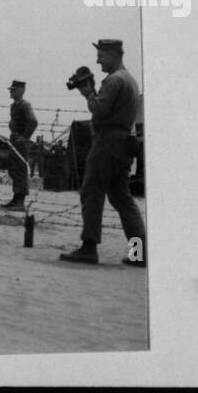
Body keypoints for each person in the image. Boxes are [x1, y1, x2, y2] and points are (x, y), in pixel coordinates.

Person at [59, 39, 146, 266]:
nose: (97, 60)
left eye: (101, 55)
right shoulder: (129, 80)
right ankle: (139, 253)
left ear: (114, 54)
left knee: (91, 192)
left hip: (107, 143)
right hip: (123, 143)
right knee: (122, 198)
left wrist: (88, 94)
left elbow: (98, 112)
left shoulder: (115, 80)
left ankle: (89, 248)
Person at [1, 80, 37, 211]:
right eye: (11, 90)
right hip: (14, 139)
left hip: (21, 142)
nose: (11, 92)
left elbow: (33, 121)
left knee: (20, 170)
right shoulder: (14, 106)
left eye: (14, 89)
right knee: (13, 169)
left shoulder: (25, 105)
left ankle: (20, 202)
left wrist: (25, 137)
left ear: (21, 90)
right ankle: (15, 199)